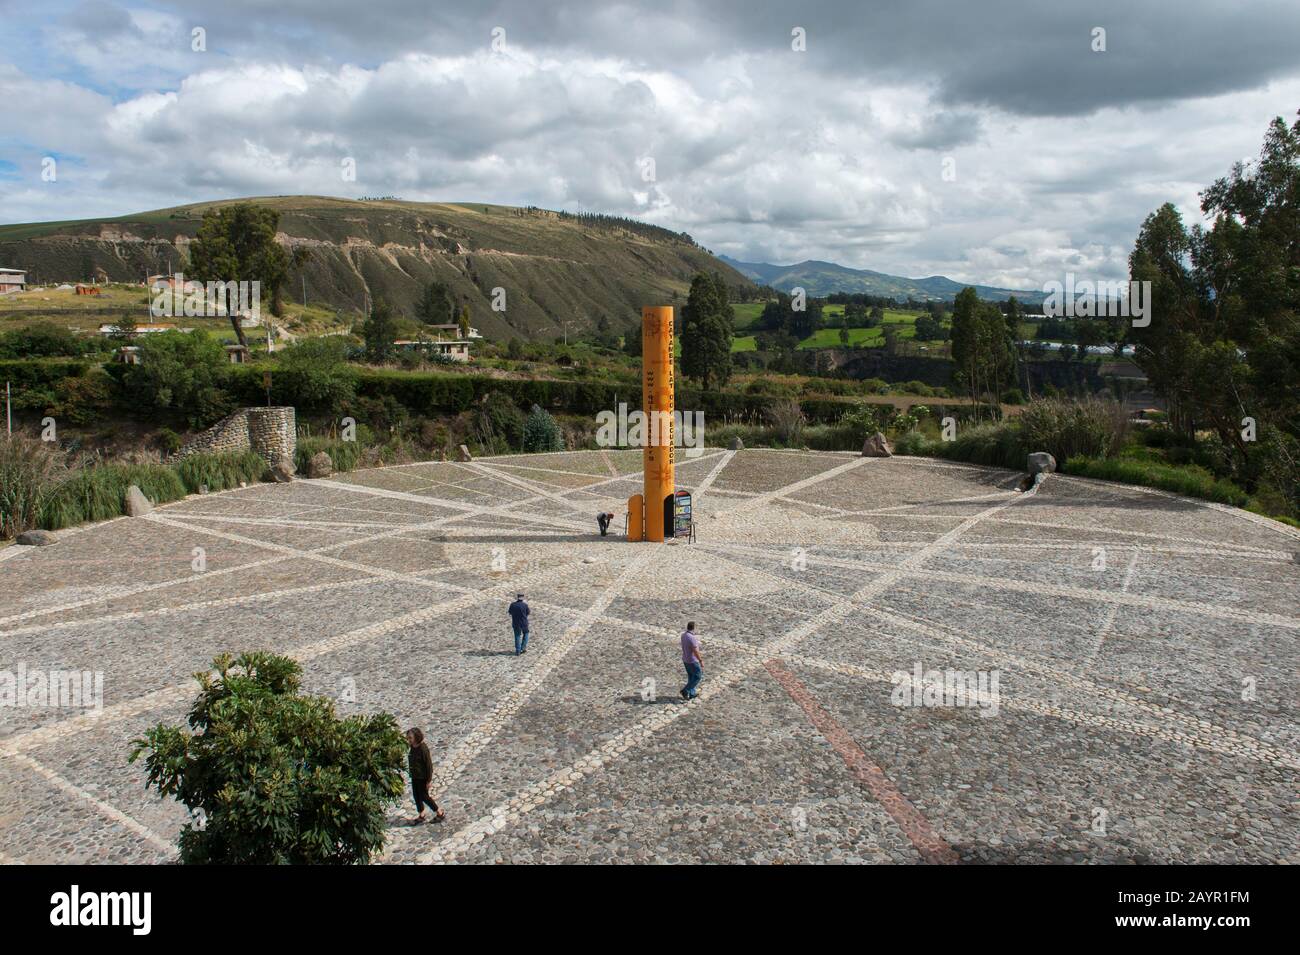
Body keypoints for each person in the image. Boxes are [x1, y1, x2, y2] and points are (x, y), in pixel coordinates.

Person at [405, 728, 444, 825]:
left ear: (416, 737)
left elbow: (429, 766)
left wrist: (429, 780)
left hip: (422, 778)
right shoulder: (412, 747)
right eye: (408, 738)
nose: (409, 740)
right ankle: (421, 814)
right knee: (416, 796)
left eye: (410, 738)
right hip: (415, 776)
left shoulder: (423, 749)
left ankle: (439, 812)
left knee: (424, 796)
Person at [680, 621, 702, 700]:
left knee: (691, 676)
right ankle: (685, 690)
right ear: (694, 628)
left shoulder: (683, 635)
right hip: (692, 660)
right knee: (698, 676)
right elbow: (695, 651)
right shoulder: (692, 638)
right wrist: (700, 660)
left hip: (685, 659)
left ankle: (692, 693)